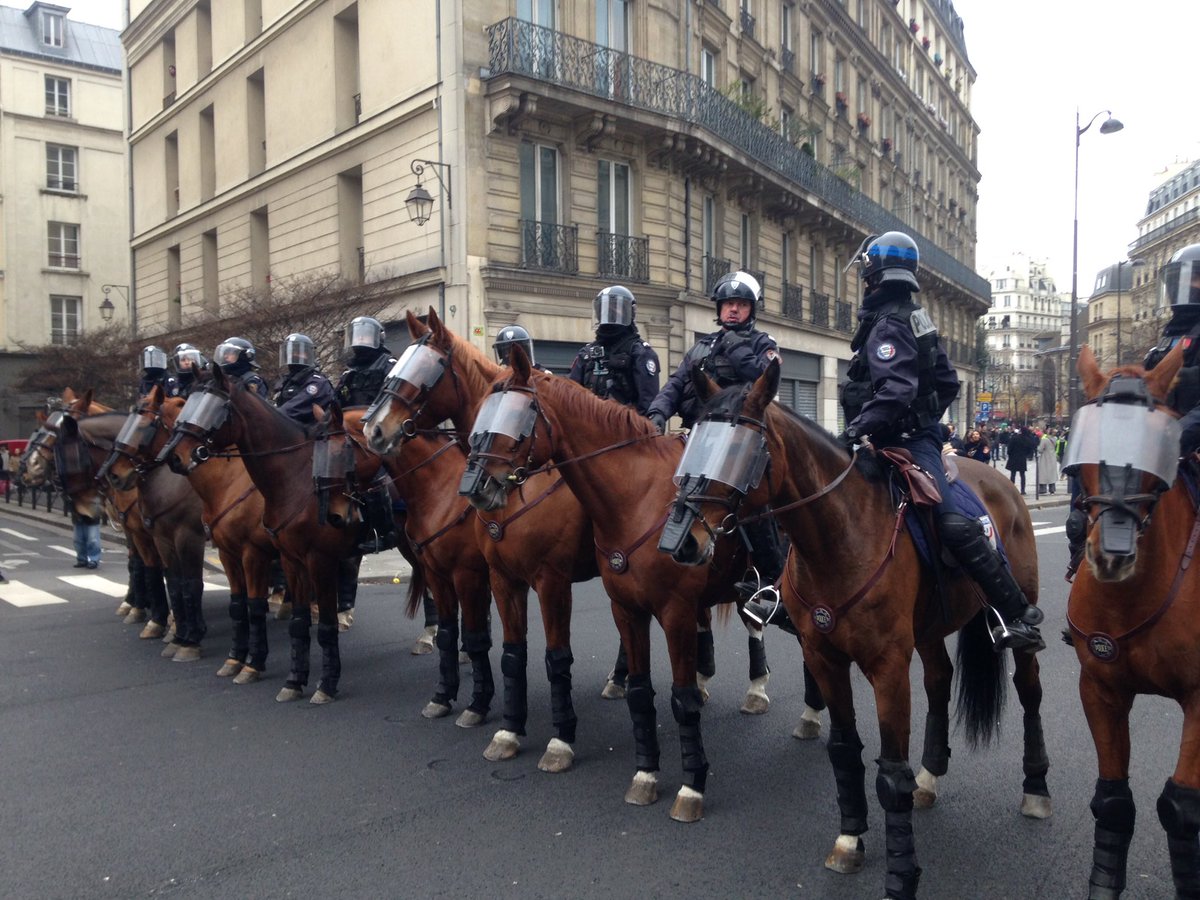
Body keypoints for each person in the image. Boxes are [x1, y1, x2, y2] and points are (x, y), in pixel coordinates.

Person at [834, 231, 1042, 651]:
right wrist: (924, 413)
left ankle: (1013, 610)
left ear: (872, 276)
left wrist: (860, 430)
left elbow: (894, 391)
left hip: (903, 443)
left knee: (952, 519)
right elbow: (946, 383)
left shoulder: (890, 323)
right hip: (896, 438)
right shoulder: (911, 317)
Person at [647, 271, 785, 613]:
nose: (733, 311)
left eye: (740, 305)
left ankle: (769, 577)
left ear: (751, 310)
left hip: (742, 440)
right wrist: (658, 412)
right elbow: (677, 384)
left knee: (756, 502)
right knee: (679, 489)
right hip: (703, 436)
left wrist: (736, 346)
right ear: (719, 309)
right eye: (728, 305)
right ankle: (674, 551)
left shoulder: (762, 344)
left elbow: (762, 380)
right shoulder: (701, 346)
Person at [335, 317, 398, 554]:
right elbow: (336, 400)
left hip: (379, 431)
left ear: (378, 337)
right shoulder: (349, 371)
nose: (360, 340)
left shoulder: (388, 365)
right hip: (350, 433)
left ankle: (386, 531)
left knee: (374, 476)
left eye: (365, 335)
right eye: (357, 335)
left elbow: (392, 399)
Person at [567, 286, 660, 414]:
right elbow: (571, 397)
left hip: (626, 430)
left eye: (617, 309)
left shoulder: (640, 353)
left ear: (629, 312)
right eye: (606, 310)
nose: (611, 314)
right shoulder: (587, 353)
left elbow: (647, 404)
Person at [271, 333, 334, 426]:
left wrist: (273, 415)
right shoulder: (286, 381)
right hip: (284, 429)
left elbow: (298, 405)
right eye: (291, 352)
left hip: (312, 433)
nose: (294, 355)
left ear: (308, 355)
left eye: (299, 352)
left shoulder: (317, 382)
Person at [1005, 426, 1034, 495]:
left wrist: (1010, 454)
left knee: (1013, 474)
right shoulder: (1027, 439)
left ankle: (1012, 490)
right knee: (1022, 474)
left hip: (1014, 457)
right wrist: (1025, 455)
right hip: (1022, 458)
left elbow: (1010, 448)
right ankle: (1023, 490)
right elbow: (1030, 449)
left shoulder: (1015, 438)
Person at [1036, 429, 1058, 495]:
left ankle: (1043, 489)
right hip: (1053, 457)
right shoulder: (1055, 439)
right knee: (1052, 474)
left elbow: (1040, 449)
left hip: (1045, 458)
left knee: (1044, 474)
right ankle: (1052, 489)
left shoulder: (1044, 440)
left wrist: (1038, 447)